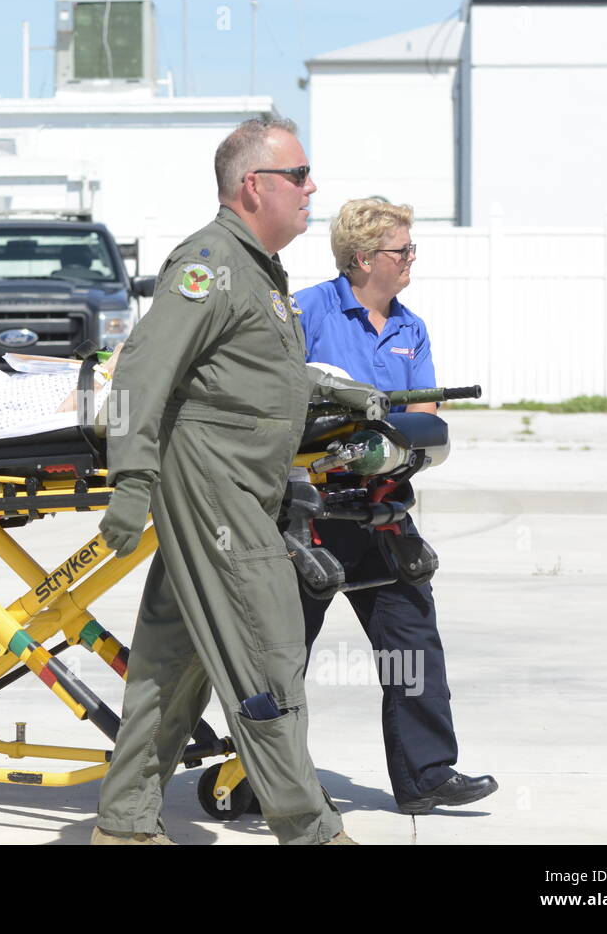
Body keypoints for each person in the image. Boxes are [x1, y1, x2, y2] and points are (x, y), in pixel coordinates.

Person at [92, 118, 367, 845]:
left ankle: (123, 826)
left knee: (170, 663)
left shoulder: (258, 271)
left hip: (243, 489)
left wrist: (332, 393)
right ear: (255, 186)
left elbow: (243, 374)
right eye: (299, 176)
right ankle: (310, 829)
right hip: (214, 492)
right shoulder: (210, 262)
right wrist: (129, 480)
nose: (312, 190)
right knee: (268, 650)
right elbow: (141, 371)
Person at [293, 197, 498, 814]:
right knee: (283, 653)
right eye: (400, 250)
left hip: (383, 510)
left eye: (410, 249)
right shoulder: (305, 312)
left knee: (411, 638)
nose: (411, 259)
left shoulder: (411, 327)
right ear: (362, 258)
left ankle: (426, 775)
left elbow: (424, 417)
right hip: (308, 514)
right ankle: (264, 779)